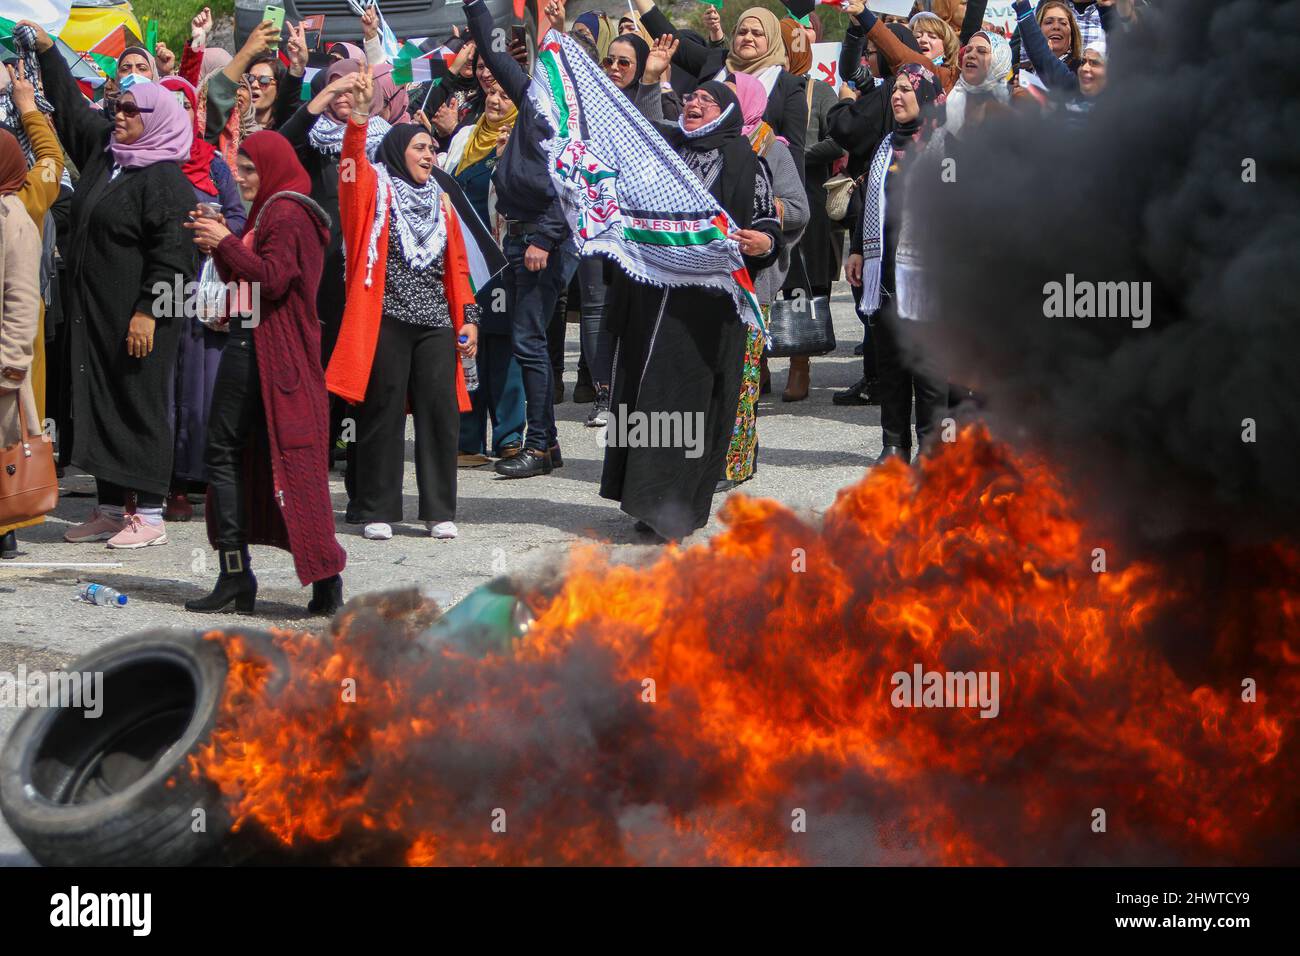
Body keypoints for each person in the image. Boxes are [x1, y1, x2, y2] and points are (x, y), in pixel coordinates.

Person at [27, 20, 196, 549]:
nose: (118, 115)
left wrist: (149, 310)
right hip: (97, 314)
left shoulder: (164, 178)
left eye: (131, 111)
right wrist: (52, 53)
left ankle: (148, 512)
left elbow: (175, 255)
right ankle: (107, 507)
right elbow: (75, 115)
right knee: (99, 401)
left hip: (138, 318)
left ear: (157, 120)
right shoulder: (110, 156)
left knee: (137, 403)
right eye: (118, 107)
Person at [601, 81, 781, 541]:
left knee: (688, 400)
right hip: (650, 295)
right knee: (645, 395)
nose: (694, 103)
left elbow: (764, 221)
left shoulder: (743, 160)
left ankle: (676, 509)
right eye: (690, 97)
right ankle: (643, 499)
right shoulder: (665, 154)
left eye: (708, 100)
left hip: (706, 309)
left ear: (727, 113)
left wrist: (765, 241)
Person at [183, 131, 346, 615]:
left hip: (266, 347)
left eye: (251, 169)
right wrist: (222, 240)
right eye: (241, 166)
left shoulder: (286, 212)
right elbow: (256, 271)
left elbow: (272, 279)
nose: (240, 176)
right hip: (263, 345)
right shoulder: (275, 210)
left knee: (259, 456)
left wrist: (225, 242)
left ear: (272, 169)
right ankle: (255, 576)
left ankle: (253, 577)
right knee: (265, 458)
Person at [326, 70, 480, 542]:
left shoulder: (443, 202)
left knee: (440, 415)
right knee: (381, 412)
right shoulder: (371, 189)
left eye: (433, 149)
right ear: (397, 152)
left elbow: (457, 266)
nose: (430, 155)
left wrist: (468, 318)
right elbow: (349, 169)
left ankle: (438, 511)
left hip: (435, 321)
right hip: (386, 319)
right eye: (420, 148)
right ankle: (378, 508)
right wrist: (357, 118)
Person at [464, 0, 579, 479]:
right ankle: (547, 443)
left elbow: (573, 185)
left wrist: (547, 239)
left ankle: (536, 444)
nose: (541, 63)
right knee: (526, 339)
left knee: (529, 342)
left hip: (540, 241)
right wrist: (475, 7)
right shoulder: (533, 97)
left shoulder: (569, 115)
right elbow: (496, 59)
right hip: (518, 238)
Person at [845, 64, 947, 465]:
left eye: (907, 89)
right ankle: (894, 443)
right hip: (884, 269)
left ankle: (932, 446)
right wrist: (857, 249)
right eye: (895, 90)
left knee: (928, 364)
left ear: (925, 96)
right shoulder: (886, 145)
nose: (898, 96)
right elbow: (872, 202)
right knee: (889, 359)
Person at [158, 75, 248, 523]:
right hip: (159, 288)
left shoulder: (211, 162)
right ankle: (169, 481)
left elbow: (238, 214)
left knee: (206, 386)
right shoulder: (145, 159)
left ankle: (206, 478)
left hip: (205, 291)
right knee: (168, 388)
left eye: (183, 106)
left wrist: (215, 227)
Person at [723, 71, 808, 490]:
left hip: (755, 281)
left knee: (743, 374)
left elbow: (799, 209)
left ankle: (740, 456)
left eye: (733, 96)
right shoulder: (708, 143)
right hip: (712, 278)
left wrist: (761, 206)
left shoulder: (772, 150)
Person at [442, 84, 526, 464]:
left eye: (505, 96)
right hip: (464, 261)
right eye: (491, 94)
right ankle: (469, 436)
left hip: (502, 261)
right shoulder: (464, 138)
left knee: (503, 345)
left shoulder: (524, 142)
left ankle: (508, 434)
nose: (495, 101)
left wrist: (507, 159)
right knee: (466, 343)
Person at [0, 64, 62, 560]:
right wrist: (26, 106)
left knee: (12, 430)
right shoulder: (33, 187)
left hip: (9, 346)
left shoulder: (17, 208)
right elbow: (51, 157)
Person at [635, 1, 808, 175]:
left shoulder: (788, 86)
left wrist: (789, 199)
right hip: (700, 175)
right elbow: (671, 38)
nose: (748, 38)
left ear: (772, 39)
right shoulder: (717, 62)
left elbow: (794, 152)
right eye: (742, 32)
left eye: (757, 33)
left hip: (754, 183)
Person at [777, 16, 844, 403]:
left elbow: (839, 140)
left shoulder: (819, 92)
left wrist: (797, 155)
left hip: (807, 195)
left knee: (803, 279)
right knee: (764, 278)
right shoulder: (757, 90)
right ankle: (762, 361)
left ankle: (799, 362)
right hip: (763, 198)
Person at [0, 129, 47, 559]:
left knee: (4, 448)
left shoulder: (13, 218)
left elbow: (22, 301)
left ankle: (6, 529)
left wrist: (11, 365)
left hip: (0, 365)